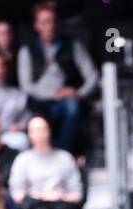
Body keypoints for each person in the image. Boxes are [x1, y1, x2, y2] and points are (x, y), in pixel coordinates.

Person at [18, 1, 97, 154]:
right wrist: (54, 95)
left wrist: (78, 93)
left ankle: (63, 154)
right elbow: (26, 86)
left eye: (53, 21)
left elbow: (93, 76)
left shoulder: (73, 46)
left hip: (66, 101)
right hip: (38, 103)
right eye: (45, 22)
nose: (50, 26)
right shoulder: (27, 50)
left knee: (72, 106)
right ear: (37, 25)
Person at [7, 115, 84, 209]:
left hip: (62, 206)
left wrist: (60, 196)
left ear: (49, 131)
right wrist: (41, 196)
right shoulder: (23, 159)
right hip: (35, 208)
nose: (39, 134)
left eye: (43, 129)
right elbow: (16, 194)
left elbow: (77, 194)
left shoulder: (64, 158)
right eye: (35, 130)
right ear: (29, 134)